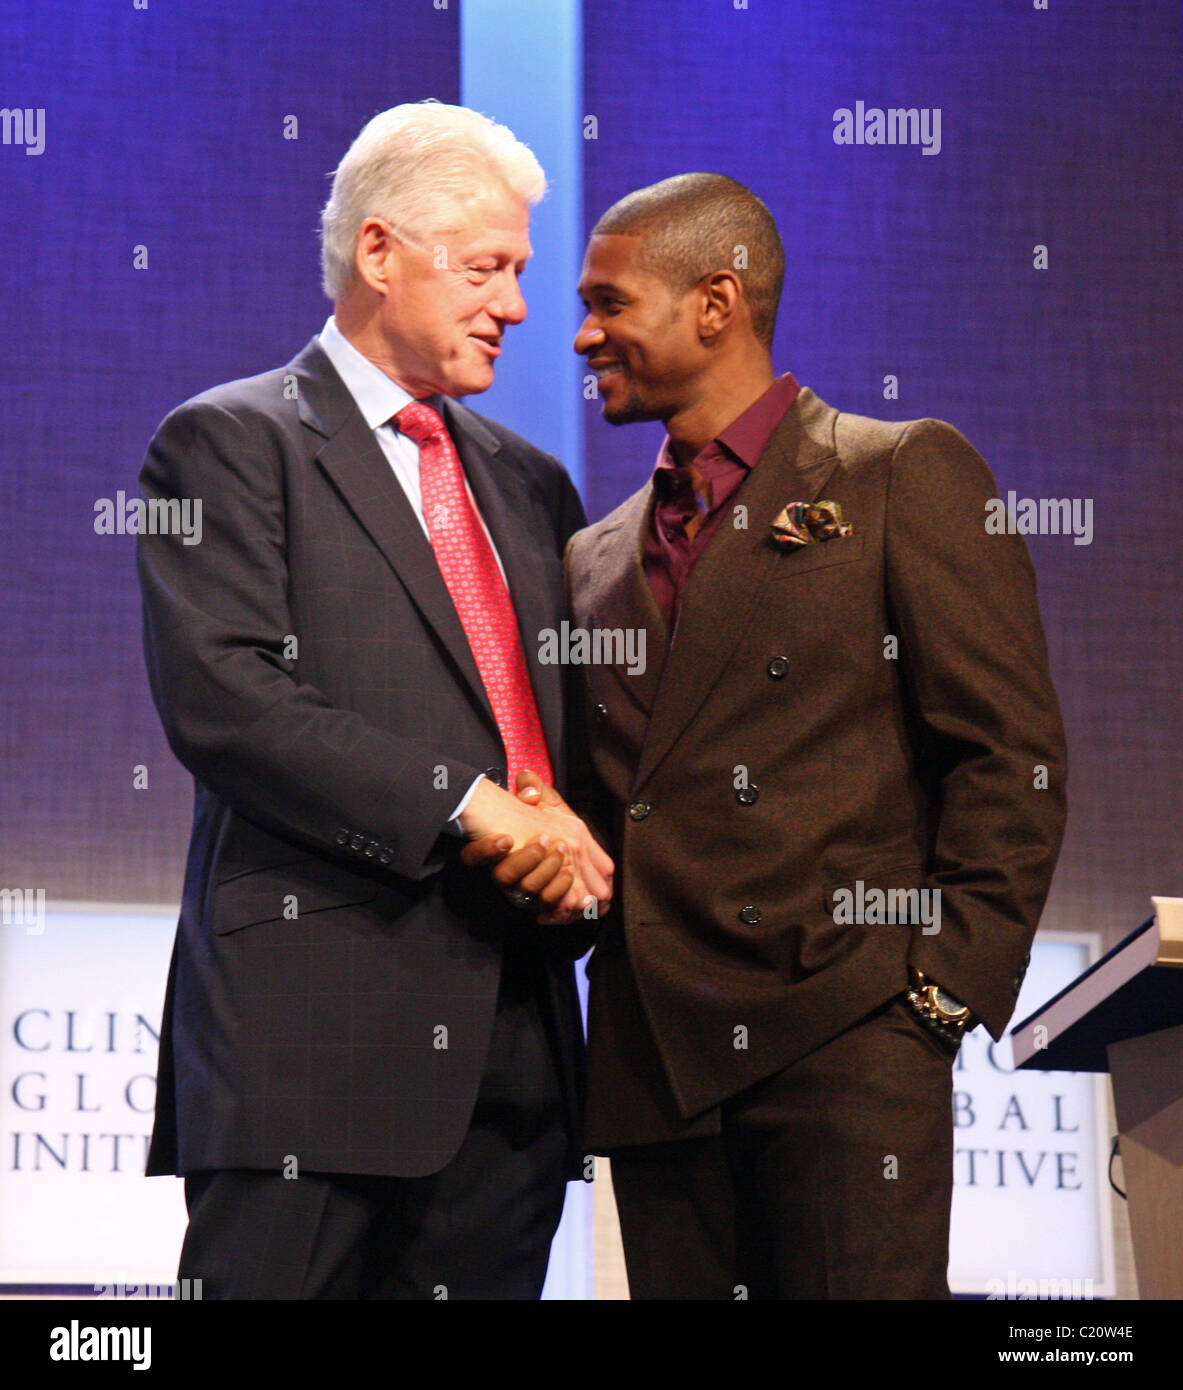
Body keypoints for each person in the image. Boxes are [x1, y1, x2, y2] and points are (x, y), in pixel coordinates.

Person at [472, 172, 1067, 1298]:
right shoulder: (591, 559)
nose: (582, 334)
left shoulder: (896, 471)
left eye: (608, 303)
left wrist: (938, 994)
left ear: (715, 302)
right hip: (657, 1065)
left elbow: (1008, 755)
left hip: (846, 1041)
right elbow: (612, 807)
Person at [136, 100, 612, 1300]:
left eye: (520, 272)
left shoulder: (532, 485)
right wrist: (471, 802)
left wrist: (569, 836)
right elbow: (229, 701)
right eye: (486, 267)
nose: (516, 306)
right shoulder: (230, 442)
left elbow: (562, 734)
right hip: (311, 1049)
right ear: (380, 251)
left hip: (514, 1054)